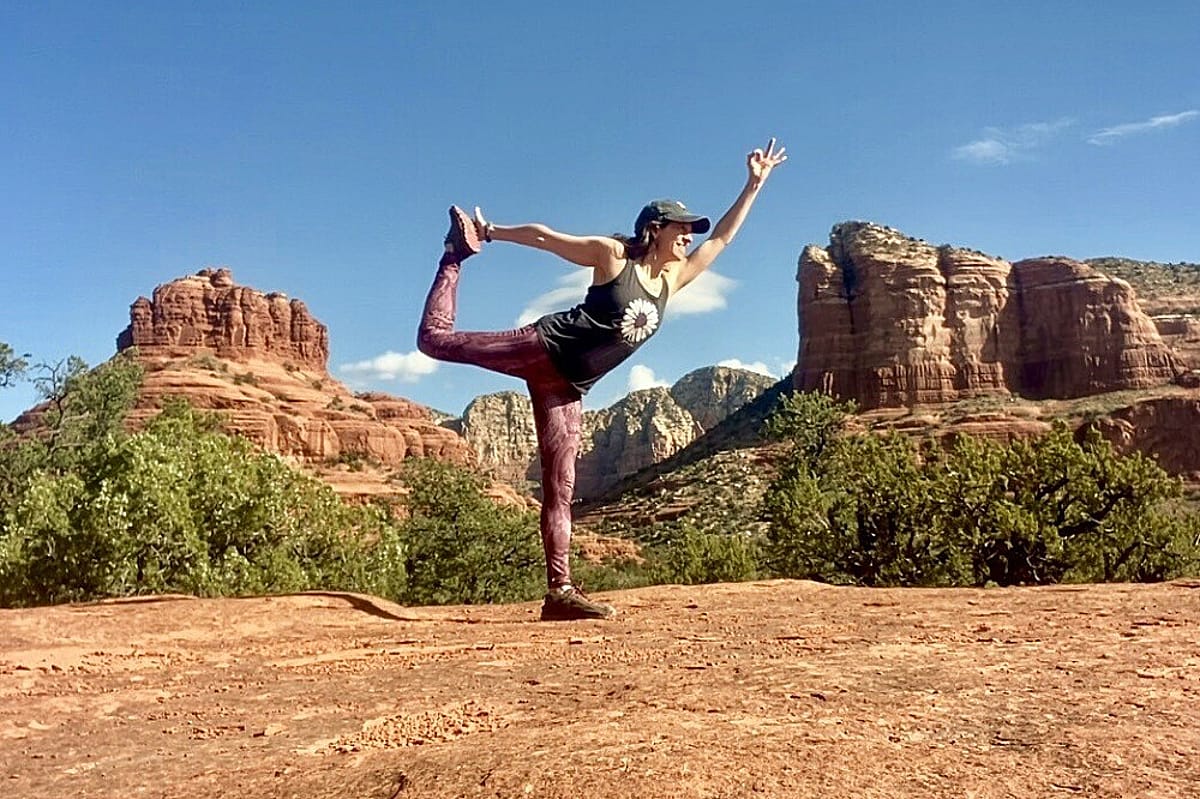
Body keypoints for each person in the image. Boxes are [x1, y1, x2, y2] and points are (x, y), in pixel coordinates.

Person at [417, 138, 787, 621]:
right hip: (540, 348)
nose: (688, 236)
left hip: (567, 389)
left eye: (689, 230)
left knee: (560, 489)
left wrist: (753, 185)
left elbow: (721, 240)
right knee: (434, 341)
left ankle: (560, 593)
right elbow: (547, 238)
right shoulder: (613, 256)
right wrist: (490, 232)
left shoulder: (671, 281)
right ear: (655, 229)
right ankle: (453, 254)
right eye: (680, 228)